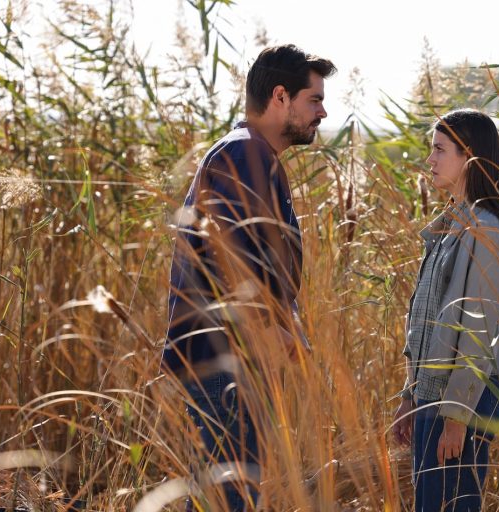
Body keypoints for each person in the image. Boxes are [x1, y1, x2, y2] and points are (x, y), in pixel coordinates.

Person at [162, 44, 336, 511]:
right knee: (229, 501)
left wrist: (288, 325)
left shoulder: (251, 155)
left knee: (221, 499)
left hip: (229, 360)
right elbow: (231, 259)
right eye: (314, 99)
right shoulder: (246, 155)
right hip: (226, 362)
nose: (323, 111)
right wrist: (272, 330)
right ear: (280, 96)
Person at [391, 109, 499, 511]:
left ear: (469, 157)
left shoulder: (485, 228)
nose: (430, 160)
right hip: (440, 395)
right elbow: (433, 321)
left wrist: (457, 415)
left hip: (465, 399)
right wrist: (411, 396)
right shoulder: (455, 225)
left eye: (439, 150)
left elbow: (478, 328)